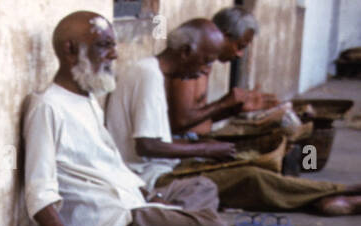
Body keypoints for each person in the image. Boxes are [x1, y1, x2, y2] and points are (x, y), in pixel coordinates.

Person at [23, 11, 231, 226]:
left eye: (113, 45)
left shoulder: (86, 99)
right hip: (112, 219)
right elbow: (39, 193)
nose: (114, 54)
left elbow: (111, 164)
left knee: (204, 187)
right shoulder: (47, 106)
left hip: (133, 202)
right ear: (70, 50)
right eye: (103, 46)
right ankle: (171, 222)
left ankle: (170, 218)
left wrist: (148, 197)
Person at [108, 20, 361, 215]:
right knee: (251, 177)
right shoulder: (148, 75)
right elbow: (147, 145)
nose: (205, 70)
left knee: (250, 172)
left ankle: (330, 197)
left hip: (163, 169)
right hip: (152, 179)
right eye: (206, 62)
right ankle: (344, 191)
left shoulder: (150, 72)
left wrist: (204, 147)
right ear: (185, 52)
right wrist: (206, 149)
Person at [166, 7, 275, 137]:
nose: (240, 54)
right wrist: (223, 103)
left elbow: (198, 119)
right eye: (239, 47)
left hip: (195, 141)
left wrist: (234, 109)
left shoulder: (204, 64)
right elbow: (180, 122)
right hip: (181, 147)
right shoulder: (191, 67)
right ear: (224, 35)